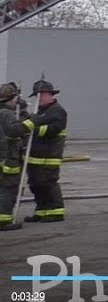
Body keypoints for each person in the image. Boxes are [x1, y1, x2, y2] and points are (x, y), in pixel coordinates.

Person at [23, 80, 68, 223]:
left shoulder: (58, 111)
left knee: (48, 183)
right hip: (35, 156)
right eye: (36, 96)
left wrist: (33, 130)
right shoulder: (38, 112)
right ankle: (42, 210)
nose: (38, 98)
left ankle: (56, 211)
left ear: (50, 95)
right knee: (35, 184)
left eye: (41, 95)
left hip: (49, 156)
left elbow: (54, 129)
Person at [0, 83, 30, 231]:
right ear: (10, 98)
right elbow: (14, 130)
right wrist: (31, 122)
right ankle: (3, 220)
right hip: (7, 158)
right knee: (8, 188)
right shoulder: (6, 114)